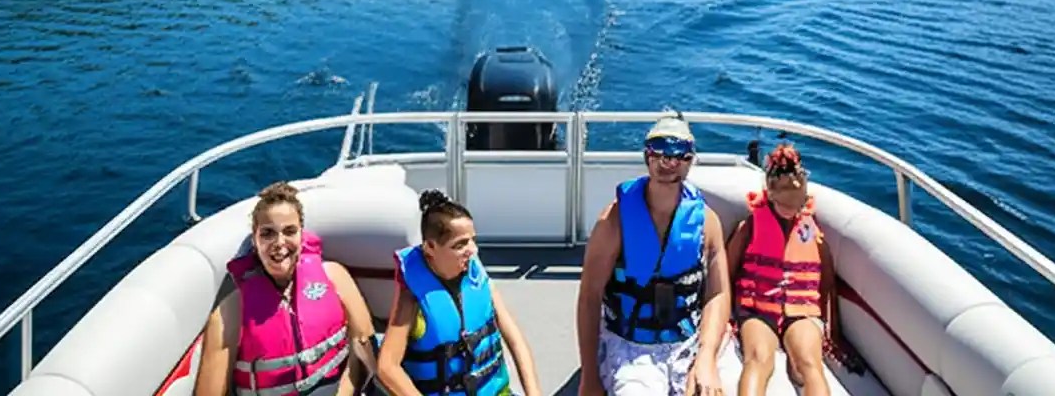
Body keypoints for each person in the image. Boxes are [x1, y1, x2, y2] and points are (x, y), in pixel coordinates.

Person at [577, 114, 731, 396]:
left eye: (678, 155)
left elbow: (718, 294)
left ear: (690, 161)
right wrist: (589, 377)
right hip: (631, 346)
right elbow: (589, 297)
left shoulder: (707, 222)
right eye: (657, 152)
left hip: (688, 342)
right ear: (647, 156)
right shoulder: (613, 222)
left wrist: (706, 358)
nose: (667, 162)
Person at [195, 181, 377, 396]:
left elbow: (364, 346)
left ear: (302, 235)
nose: (279, 242)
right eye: (267, 233)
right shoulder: (229, 315)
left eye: (289, 231)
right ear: (255, 240)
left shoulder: (334, 277)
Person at [376, 190, 542, 396]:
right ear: (430, 247)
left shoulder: (476, 275)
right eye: (460, 245)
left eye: (472, 240)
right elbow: (387, 367)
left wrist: (534, 392)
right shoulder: (412, 297)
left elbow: (515, 339)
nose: (472, 250)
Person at [725, 144, 838, 396]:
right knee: (758, 360)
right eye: (784, 204)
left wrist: (833, 330)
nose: (789, 210)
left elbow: (827, 282)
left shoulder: (812, 230)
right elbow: (726, 271)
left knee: (809, 364)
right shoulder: (751, 226)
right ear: (770, 193)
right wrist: (724, 317)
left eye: (795, 205)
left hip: (802, 311)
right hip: (757, 309)